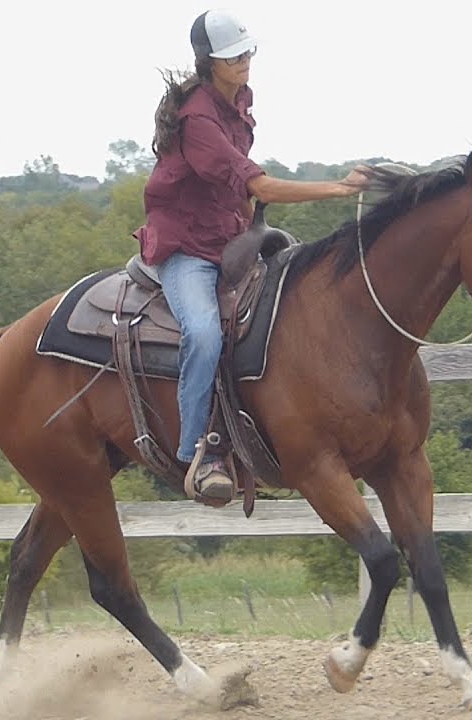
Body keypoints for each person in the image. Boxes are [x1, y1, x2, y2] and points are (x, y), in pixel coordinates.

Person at [133, 8, 370, 502]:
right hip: (188, 250)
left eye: (247, 53)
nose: (244, 62)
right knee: (201, 331)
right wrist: (338, 188)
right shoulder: (197, 119)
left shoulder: (238, 99)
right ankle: (197, 450)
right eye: (232, 57)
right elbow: (258, 184)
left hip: (233, 241)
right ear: (208, 62)